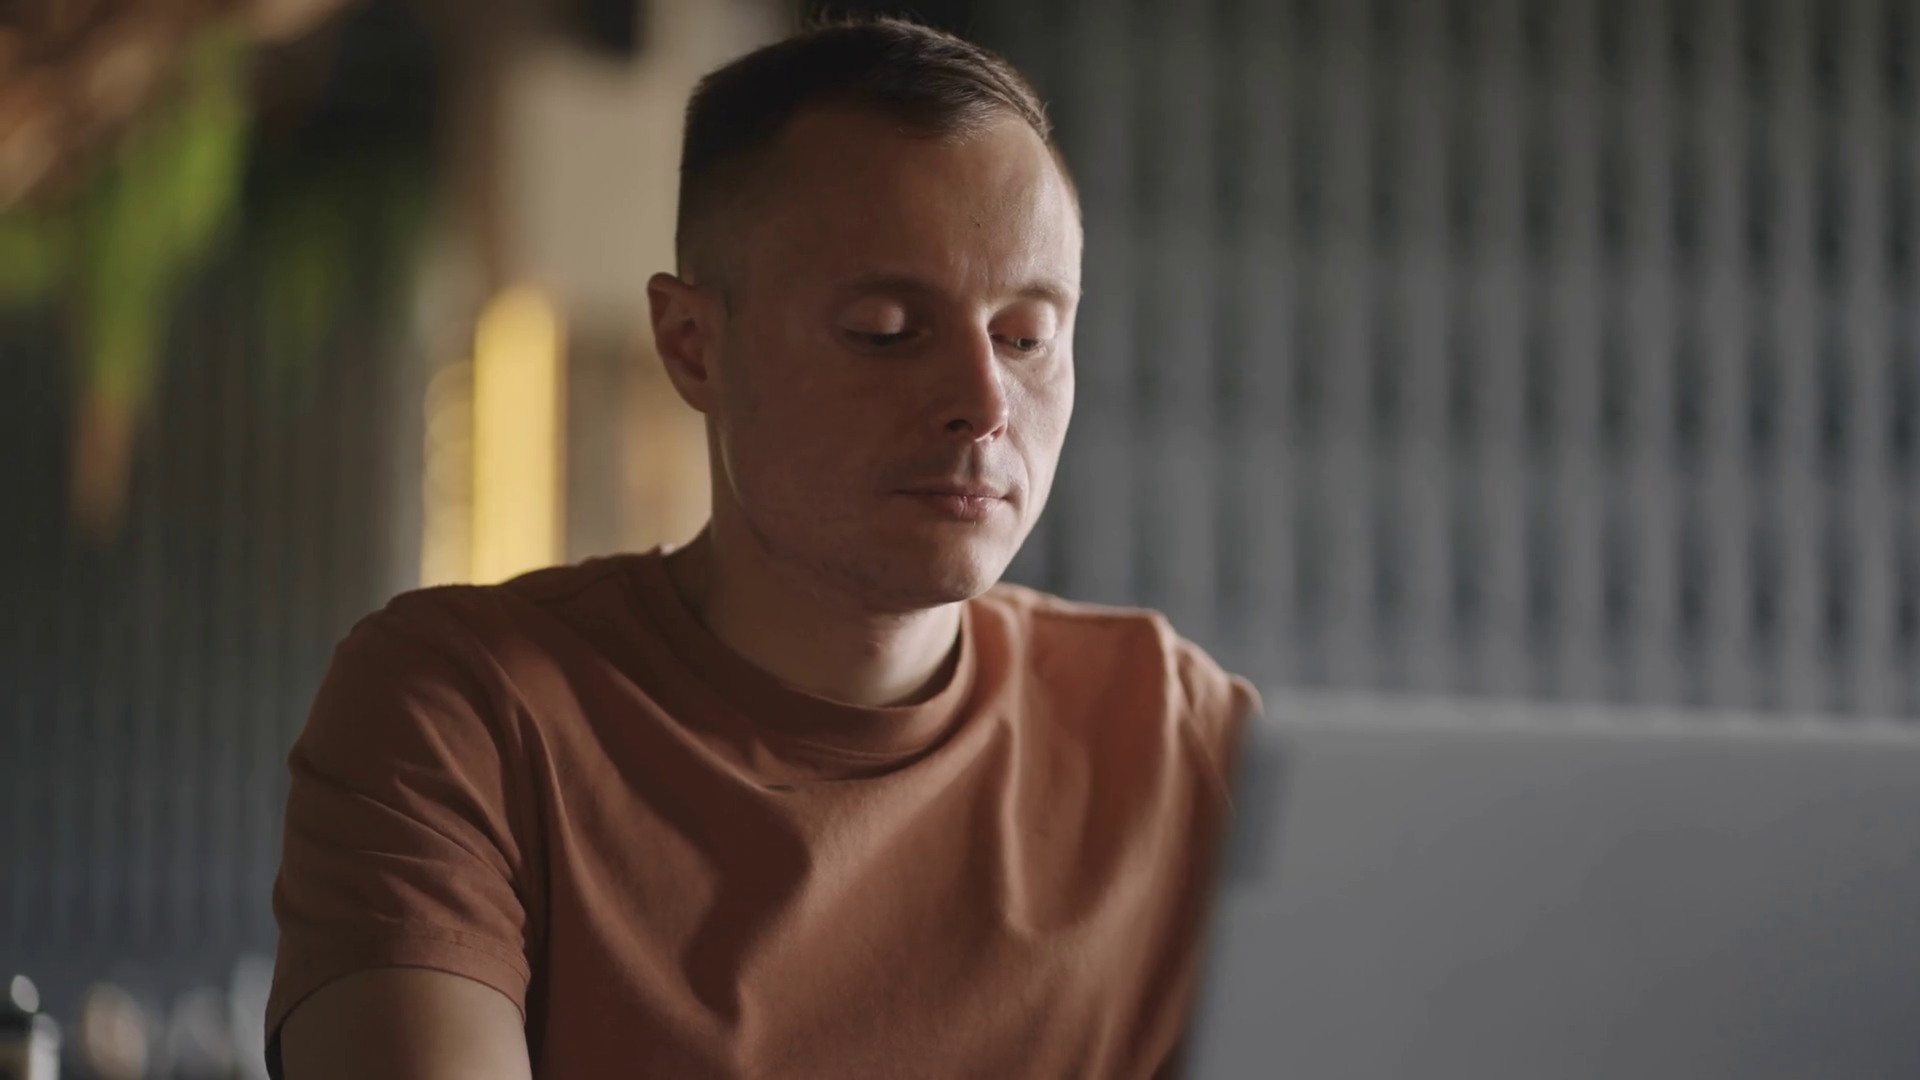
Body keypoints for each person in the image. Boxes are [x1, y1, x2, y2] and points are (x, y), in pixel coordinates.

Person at [267, 16, 1258, 1079]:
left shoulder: (1174, 737)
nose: (984, 403)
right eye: (885, 329)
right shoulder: (471, 711)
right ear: (694, 345)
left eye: (1025, 337)